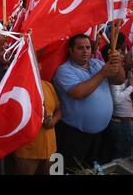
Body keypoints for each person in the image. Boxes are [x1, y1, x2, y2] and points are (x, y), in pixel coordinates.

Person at [53, 34, 125, 172]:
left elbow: (119, 80)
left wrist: (117, 64)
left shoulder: (97, 63)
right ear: (71, 50)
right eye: (80, 48)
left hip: (99, 135)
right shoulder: (64, 70)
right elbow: (78, 93)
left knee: (92, 169)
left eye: (88, 47)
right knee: (70, 170)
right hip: (74, 137)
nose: (85, 51)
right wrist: (102, 74)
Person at [14, 80, 62, 175]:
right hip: (28, 151)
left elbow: (59, 109)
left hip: (50, 149)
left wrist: (54, 119)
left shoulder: (48, 85)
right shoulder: (19, 88)